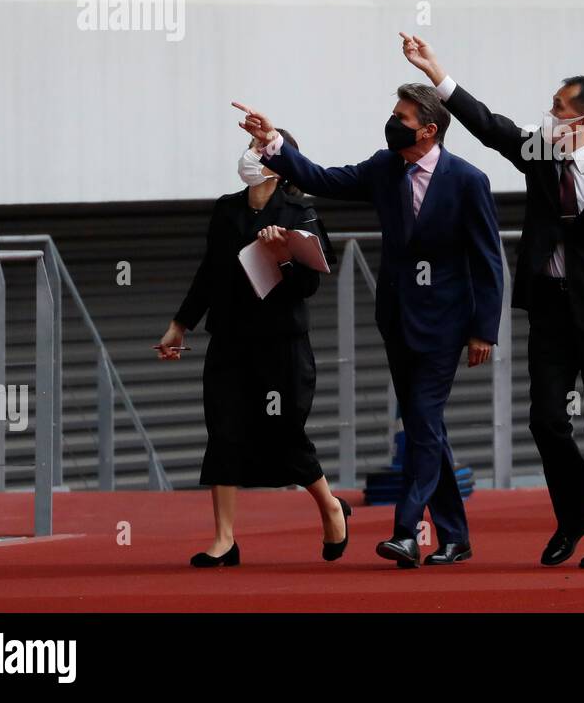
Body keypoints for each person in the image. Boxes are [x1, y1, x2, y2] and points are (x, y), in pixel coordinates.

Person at [400, 32, 584, 569]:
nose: (548, 115)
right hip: (551, 310)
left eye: (558, 108)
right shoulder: (537, 154)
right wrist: (436, 72)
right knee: (546, 420)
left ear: (583, 123)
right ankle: (578, 511)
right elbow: (488, 126)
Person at [232, 87, 504, 568]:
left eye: (401, 116)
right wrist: (272, 140)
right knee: (426, 425)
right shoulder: (384, 167)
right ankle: (456, 537)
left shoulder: (467, 180)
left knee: (421, 420)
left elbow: (488, 260)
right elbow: (322, 178)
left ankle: (405, 531)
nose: (391, 121)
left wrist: (485, 329)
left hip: (446, 323)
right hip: (398, 317)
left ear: (429, 129)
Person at [156, 130, 351, 568]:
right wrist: (179, 324)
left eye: (262, 151)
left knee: (284, 435)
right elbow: (209, 273)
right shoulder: (226, 210)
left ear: (282, 165)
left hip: (280, 344)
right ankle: (224, 539)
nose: (250, 157)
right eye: (251, 149)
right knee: (223, 431)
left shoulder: (299, 211)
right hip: (229, 338)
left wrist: (283, 253)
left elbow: (309, 284)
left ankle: (331, 507)